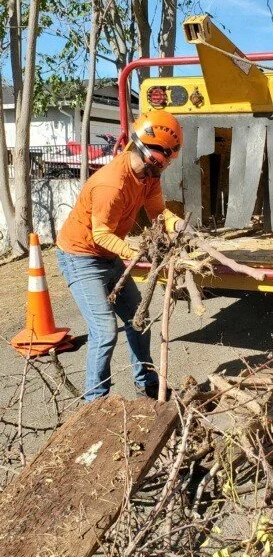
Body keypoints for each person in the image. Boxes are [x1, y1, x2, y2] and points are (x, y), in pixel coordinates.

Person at [56, 109, 183, 402]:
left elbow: (157, 212)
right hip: (80, 257)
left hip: (108, 255)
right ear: (152, 153)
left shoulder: (149, 177)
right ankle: (95, 402)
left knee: (139, 318)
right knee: (104, 331)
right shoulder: (111, 184)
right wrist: (134, 251)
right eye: (166, 159)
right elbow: (100, 234)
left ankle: (147, 382)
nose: (166, 166)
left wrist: (178, 226)